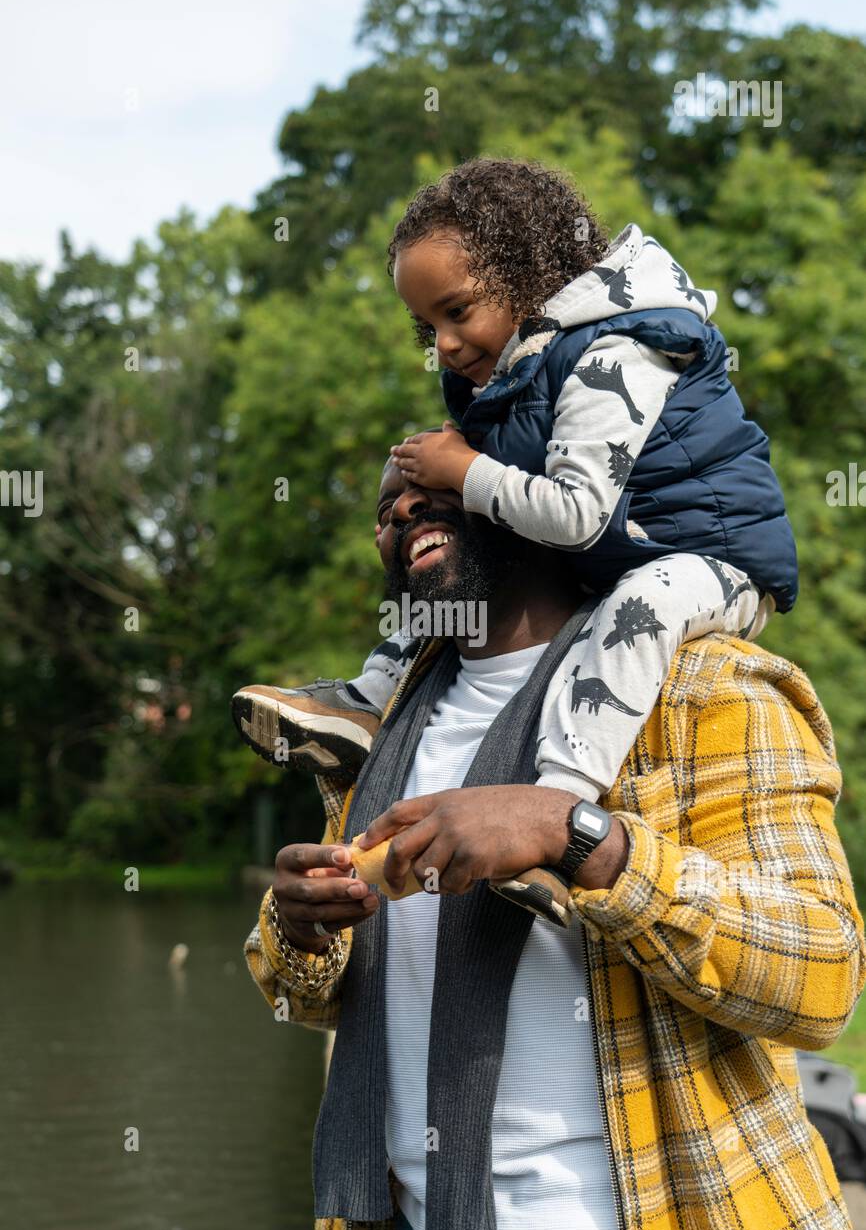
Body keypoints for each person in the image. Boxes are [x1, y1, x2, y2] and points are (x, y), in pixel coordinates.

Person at [243, 458, 865, 1230]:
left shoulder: (703, 688)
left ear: (536, 495)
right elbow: (319, 1000)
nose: (400, 512)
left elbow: (825, 976)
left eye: (431, 487)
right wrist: (301, 928)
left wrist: (579, 837)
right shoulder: (379, 731)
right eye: (385, 509)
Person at [232, 157, 796, 822]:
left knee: (639, 608)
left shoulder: (615, 350)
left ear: (527, 275)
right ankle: (368, 701)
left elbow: (578, 513)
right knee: (454, 575)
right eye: (427, 327)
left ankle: (556, 799)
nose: (443, 345)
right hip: (625, 551)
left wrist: (463, 469)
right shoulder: (515, 373)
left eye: (457, 311)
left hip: (712, 561)